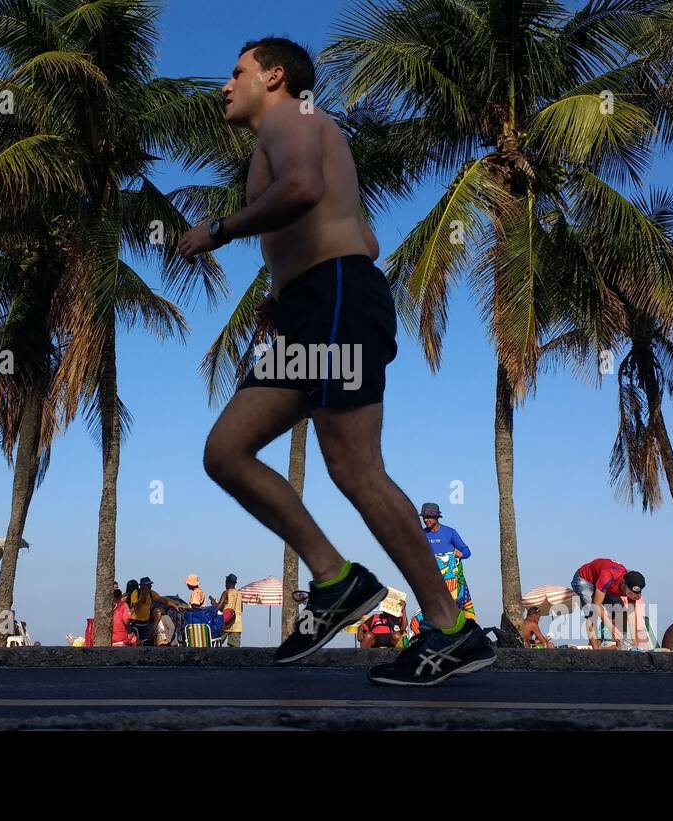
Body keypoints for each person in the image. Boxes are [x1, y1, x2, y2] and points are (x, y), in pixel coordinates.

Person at [183, 37, 494, 685]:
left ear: (273, 77)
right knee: (226, 451)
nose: (224, 85)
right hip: (313, 307)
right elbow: (361, 230)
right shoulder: (284, 134)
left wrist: (218, 230)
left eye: (234, 71)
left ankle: (451, 626)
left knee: (355, 466)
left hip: (339, 300)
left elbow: (303, 188)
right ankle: (337, 579)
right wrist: (283, 294)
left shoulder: (293, 118)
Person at [569, 557, 645, 649]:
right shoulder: (608, 576)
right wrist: (611, 628)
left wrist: (635, 643)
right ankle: (595, 649)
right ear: (623, 583)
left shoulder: (633, 583)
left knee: (620, 614)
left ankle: (614, 645)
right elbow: (596, 605)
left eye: (634, 595)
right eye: (628, 593)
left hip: (606, 586)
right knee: (592, 614)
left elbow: (631, 613)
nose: (630, 596)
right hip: (585, 579)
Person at [419, 503, 476, 619]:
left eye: (429, 517)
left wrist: (460, 554)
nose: (426, 520)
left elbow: (467, 551)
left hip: (451, 580)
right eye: (424, 517)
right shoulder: (422, 534)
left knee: (456, 608)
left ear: (436, 517)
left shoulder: (450, 532)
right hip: (431, 580)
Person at [128, 577, 171, 646]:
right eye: (147, 585)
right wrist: (143, 596)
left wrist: (174, 606)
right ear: (142, 586)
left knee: (146, 643)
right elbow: (136, 607)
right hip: (136, 623)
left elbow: (162, 600)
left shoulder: (151, 593)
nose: (150, 586)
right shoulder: (136, 593)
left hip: (145, 623)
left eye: (150, 585)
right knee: (135, 643)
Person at [216, 574, 243, 646]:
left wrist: (214, 603)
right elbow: (241, 609)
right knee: (235, 650)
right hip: (237, 625)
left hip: (226, 623)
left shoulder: (226, 592)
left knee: (216, 645)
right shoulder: (239, 594)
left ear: (227, 582)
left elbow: (218, 608)